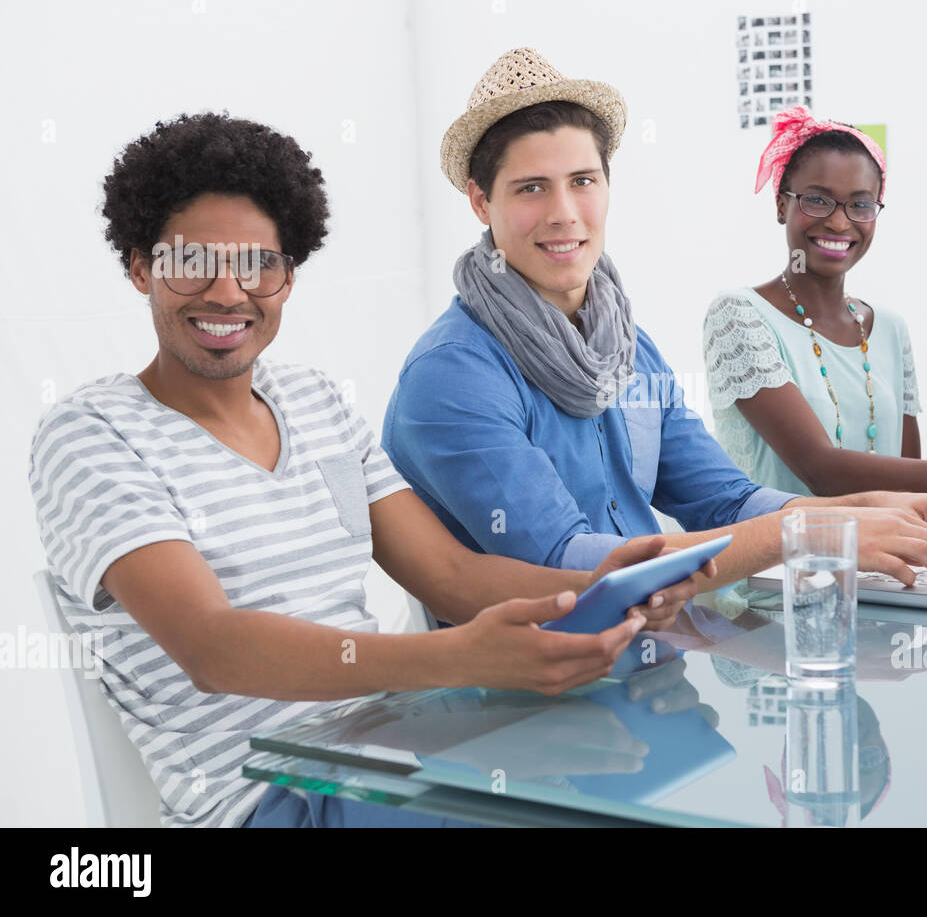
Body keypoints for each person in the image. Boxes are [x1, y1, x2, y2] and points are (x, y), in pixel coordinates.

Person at [28, 113, 709, 828]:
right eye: (192, 263)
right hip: (273, 798)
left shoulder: (317, 402)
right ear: (141, 267)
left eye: (258, 264)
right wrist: (456, 658)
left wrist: (607, 587)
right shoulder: (92, 434)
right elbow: (213, 648)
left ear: (289, 275)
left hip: (402, 753)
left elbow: (448, 575)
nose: (228, 294)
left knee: (641, 781)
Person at [382, 49, 927, 597]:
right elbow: (565, 562)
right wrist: (814, 531)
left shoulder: (632, 350)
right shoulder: (453, 375)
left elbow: (727, 501)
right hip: (523, 700)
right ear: (481, 203)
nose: (564, 214)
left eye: (582, 181)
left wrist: (869, 507)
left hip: (656, 663)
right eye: (531, 188)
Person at [703, 107, 927, 498]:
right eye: (818, 200)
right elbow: (821, 470)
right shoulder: (739, 316)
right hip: (779, 556)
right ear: (781, 204)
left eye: (860, 204)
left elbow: (910, 481)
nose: (839, 222)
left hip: (884, 554)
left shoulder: (889, 329)